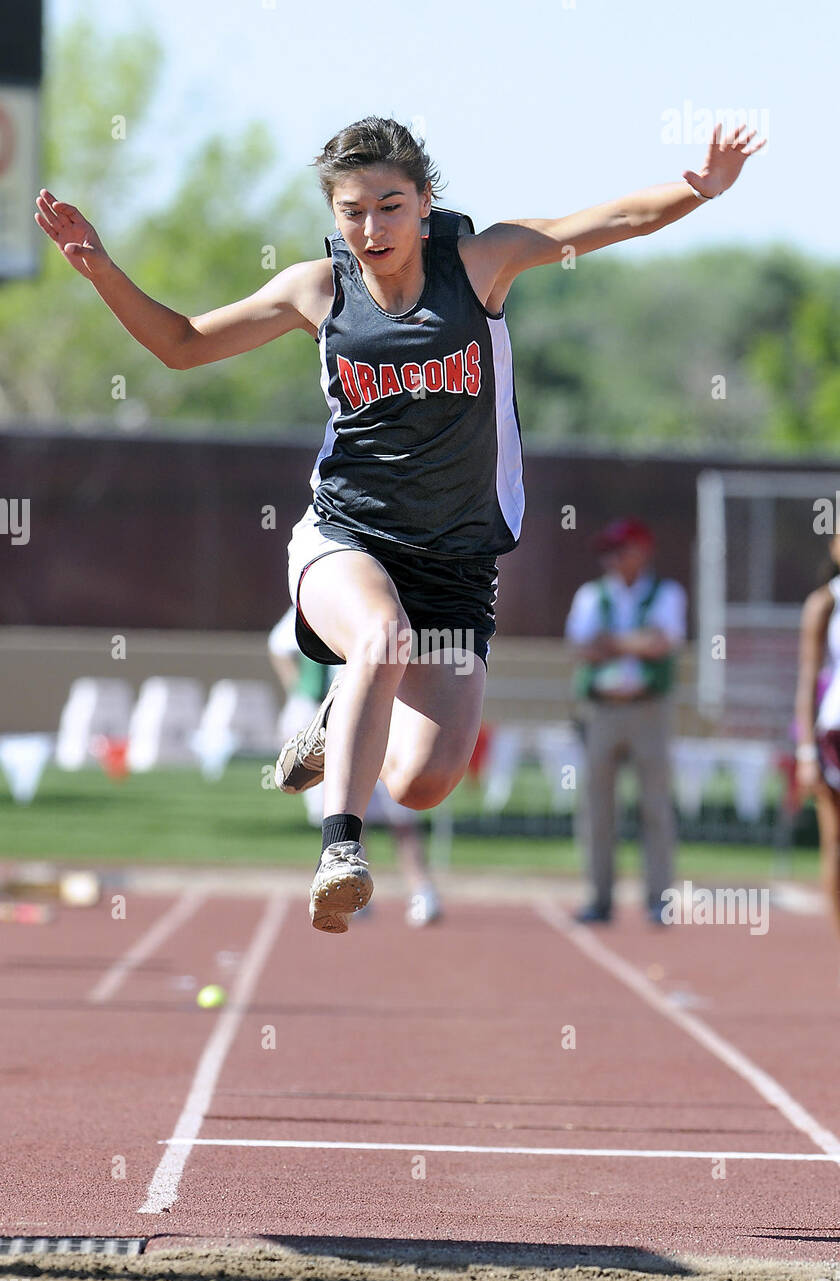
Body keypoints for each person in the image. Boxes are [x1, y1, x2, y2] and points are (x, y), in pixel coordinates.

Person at [35, 115, 764, 934]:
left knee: (424, 782)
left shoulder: (480, 264)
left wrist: (699, 188)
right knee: (380, 636)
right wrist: (100, 268)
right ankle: (341, 849)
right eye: (353, 210)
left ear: (425, 204)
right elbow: (180, 343)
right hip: (345, 538)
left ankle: (345, 703)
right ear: (335, 214)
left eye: (390, 206)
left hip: (455, 563)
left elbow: (606, 222)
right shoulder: (317, 290)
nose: (373, 228)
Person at [268, 607, 442, 927]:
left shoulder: (393, 603)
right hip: (335, 721)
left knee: (400, 808)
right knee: (351, 808)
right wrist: (301, 690)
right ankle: (358, 890)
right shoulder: (318, 597)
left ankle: (422, 890)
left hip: (383, 715)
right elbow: (278, 645)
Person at [565, 518, 687, 925]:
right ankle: (599, 899)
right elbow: (582, 646)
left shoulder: (667, 592)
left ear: (642, 551)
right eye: (609, 551)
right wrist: (637, 643)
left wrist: (612, 643)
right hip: (601, 710)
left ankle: (659, 899)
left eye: (621, 549)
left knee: (655, 807)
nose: (612, 559)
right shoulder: (590, 594)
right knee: (598, 809)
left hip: (649, 708)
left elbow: (662, 644)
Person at [794, 534, 840, 941]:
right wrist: (806, 751)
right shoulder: (825, 603)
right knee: (836, 842)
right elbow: (808, 679)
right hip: (836, 737)